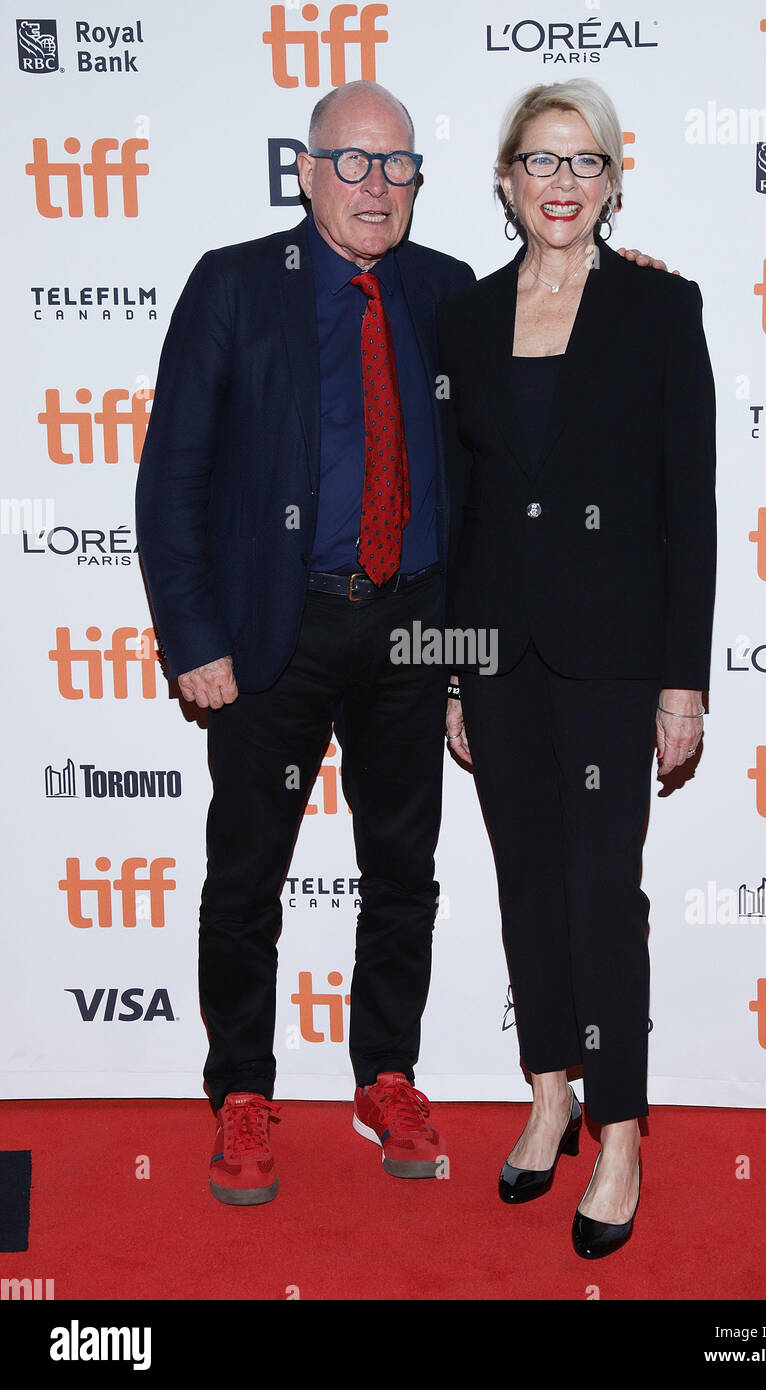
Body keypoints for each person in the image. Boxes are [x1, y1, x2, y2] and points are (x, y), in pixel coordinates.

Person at [135, 80, 476, 1204]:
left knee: (405, 874)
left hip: (414, 623)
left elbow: (487, 483)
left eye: (398, 167)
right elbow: (171, 478)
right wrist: (194, 637)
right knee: (246, 875)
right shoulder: (234, 284)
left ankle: (386, 1074)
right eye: (354, 163)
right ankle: (241, 1086)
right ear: (307, 170)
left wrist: (465, 659)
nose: (377, 188)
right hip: (272, 630)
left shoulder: (448, 290)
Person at [441, 79, 717, 1257]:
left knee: (603, 894)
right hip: (496, 658)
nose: (561, 181)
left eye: (584, 161)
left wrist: (681, 679)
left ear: (612, 182)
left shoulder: (660, 309)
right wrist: (451, 670)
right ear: (505, 181)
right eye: (539, 161)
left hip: (611, 661)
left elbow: (686, 510)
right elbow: (458, 511)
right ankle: (548, 1088)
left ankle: (617, 1128)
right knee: (525, 886)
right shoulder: (465, 316)